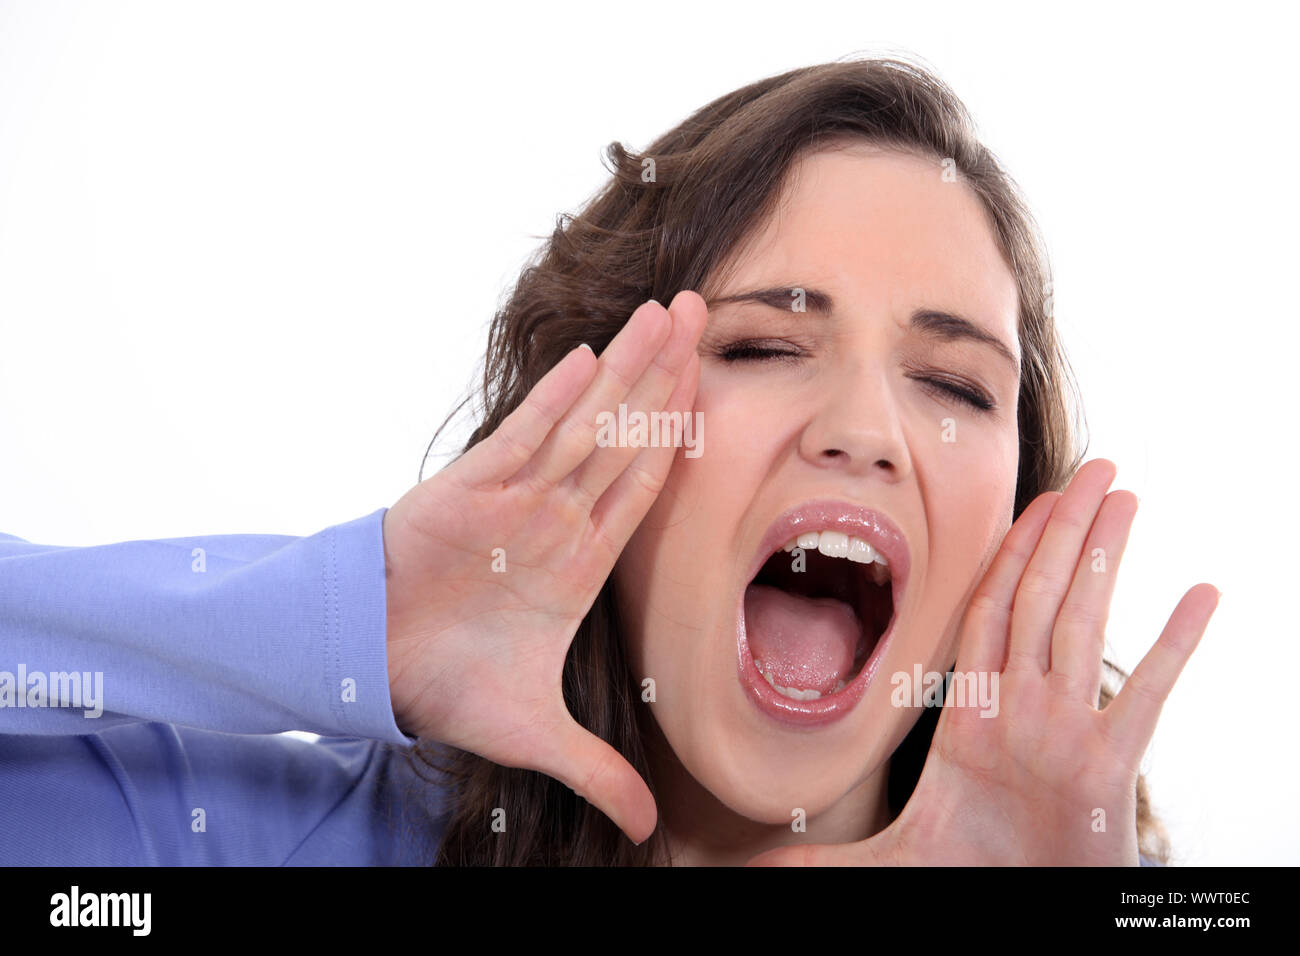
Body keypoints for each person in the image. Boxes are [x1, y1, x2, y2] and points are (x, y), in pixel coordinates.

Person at [0, 55, 1219, 866]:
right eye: (761, 344)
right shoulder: (259, 840)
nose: (862, 427)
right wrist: (349, 614)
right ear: (593, 440)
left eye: (954, 384)